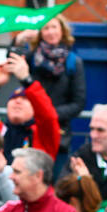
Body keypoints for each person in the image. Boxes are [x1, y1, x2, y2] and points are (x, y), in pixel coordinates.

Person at [12, 15, 87, 166]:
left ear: (62, 31)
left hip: (58, 134)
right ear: (40, 33)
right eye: (46, 28)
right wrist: (19, 40)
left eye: (54, 27)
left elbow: (78, 103)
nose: (50, 32)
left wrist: (49, 115)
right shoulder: (32, 58)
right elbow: (12, 60)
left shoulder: (73, 62)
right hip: (30, 131)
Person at [0, 52, 60, 162]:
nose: (18, 101)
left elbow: (48, 116)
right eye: (13, 98)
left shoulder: (43, 135)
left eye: (25, 99)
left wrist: (27, 80)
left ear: (35, 109)